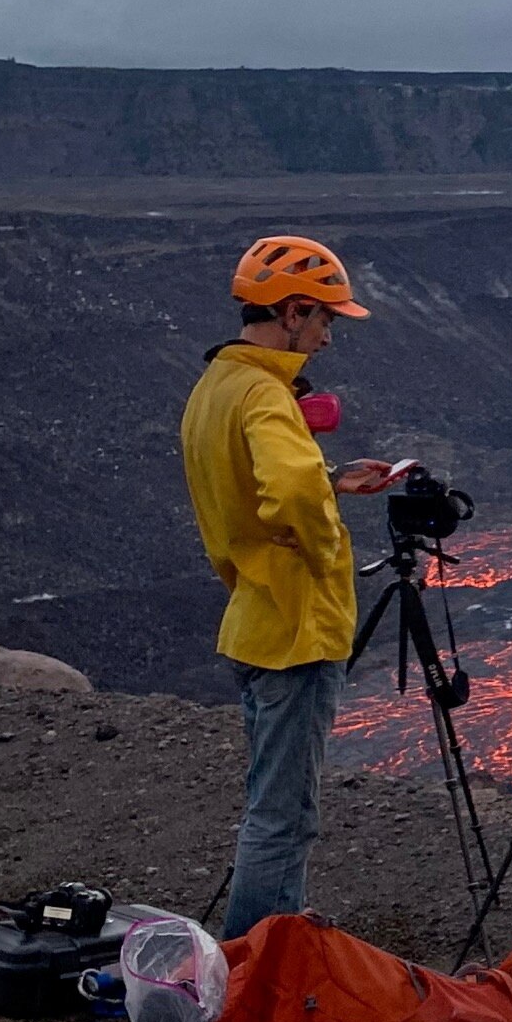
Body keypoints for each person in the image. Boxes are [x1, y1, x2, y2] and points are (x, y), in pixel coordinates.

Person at [179, 236, 395, 937]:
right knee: (284, 820)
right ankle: (252, 977)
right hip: (294, 632)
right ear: (294, 311)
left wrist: (332, 482)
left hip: (254, 619)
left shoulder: (216, 386)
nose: (329, 336)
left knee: (272, 810)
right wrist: (327, 538)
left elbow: (253, 491)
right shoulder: (267, 395)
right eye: (326, 319)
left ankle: (264, 956)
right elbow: (290, 490)